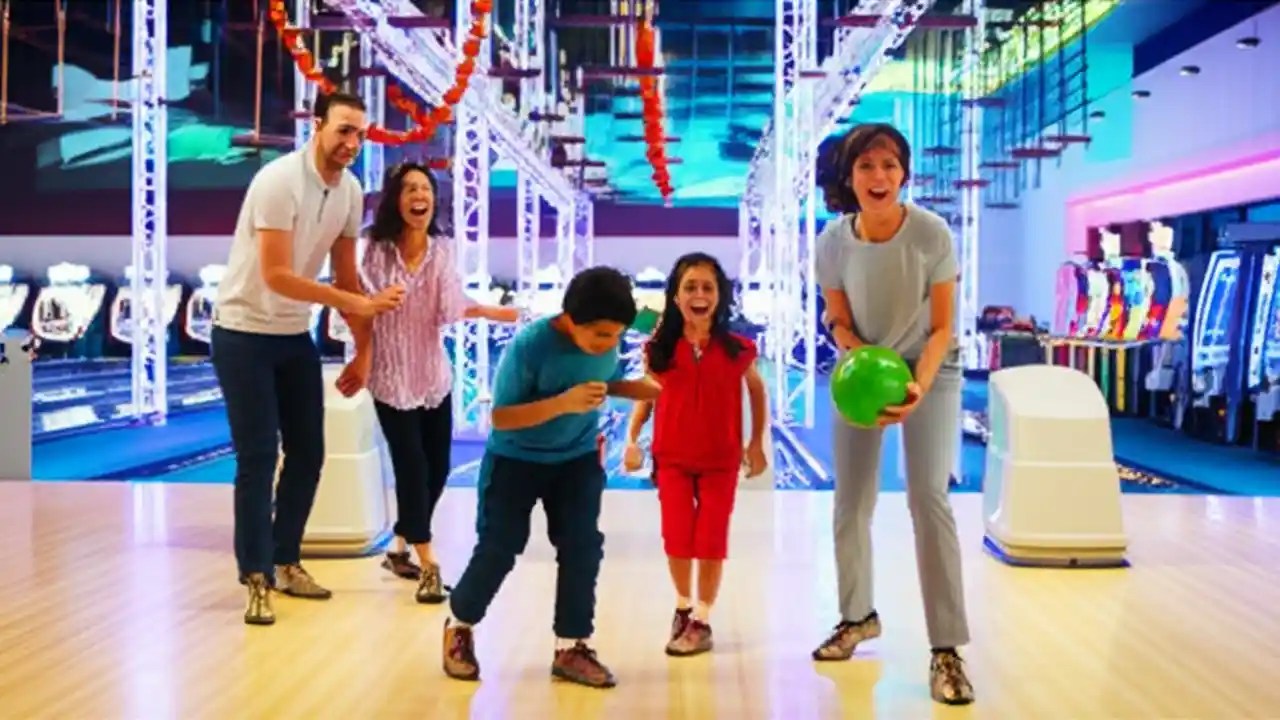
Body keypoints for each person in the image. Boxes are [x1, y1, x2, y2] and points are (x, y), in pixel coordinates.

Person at [211, 91, 404, 626]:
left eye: (360, 134)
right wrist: (350, 303)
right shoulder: (278, 182)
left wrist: (363, 352)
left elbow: (347, 279)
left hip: (293, 336)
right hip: (243, 332)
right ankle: (256, 575)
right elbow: (276, 276)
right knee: (257, 455)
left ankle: (286, 558)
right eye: (344, 130)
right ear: (317, 126)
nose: (352, 143)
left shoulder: (350, 192)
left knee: (308, 453)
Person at [810, 122, 975, 706]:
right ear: (849, 177)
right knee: (850, 500)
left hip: (931, 370)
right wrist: (861, 362)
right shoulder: (831, 242)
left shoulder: (931, 233)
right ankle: (857, 617)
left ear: (904, 173)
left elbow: (942, 328)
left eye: (889, 165)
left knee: (927, 499)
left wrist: (914, 388)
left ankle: (946, 650)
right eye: (866, 167)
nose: (878, 177)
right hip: (863, 370)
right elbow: (837, 321)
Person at [440, 266, 661, 689]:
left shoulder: (606, 340)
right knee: (500, 548)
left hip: (576, 459)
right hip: (515, 461)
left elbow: (604, 381)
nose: (609, 344)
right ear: (570, 320)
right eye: (600, 336)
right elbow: (502, 418)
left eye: (617, 336)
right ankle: (460, 625)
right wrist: (563, 403)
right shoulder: (530, 346)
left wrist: (639, 388)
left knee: (582, 547)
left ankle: (571, 646)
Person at [336, 162, 518, 603]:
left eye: (426, 189)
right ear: (396, 200)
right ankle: (428, 563)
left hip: (434, 375)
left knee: (437, 469)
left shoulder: (443, 248)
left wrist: (491, 311)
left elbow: (448, 305)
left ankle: (399, 547)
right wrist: (368, 331)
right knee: (412, 466)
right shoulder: (373, 249)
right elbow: (359, 305)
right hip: (390, 376)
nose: (420, 195)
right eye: (410, 188)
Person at [621, 252, 768, 657]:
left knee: (711, 540)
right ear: (675, 297)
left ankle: (702, 619)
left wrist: (755, 443)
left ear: (720, 297)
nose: (699, 295)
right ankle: (683, 607)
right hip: (672, 459)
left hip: (720, 461)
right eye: (690, 287)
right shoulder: (660, 350)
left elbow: (756, 390)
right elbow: (646, 396)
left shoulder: (737, 349)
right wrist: (632, 439)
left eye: (707, 287)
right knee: (678, 537)